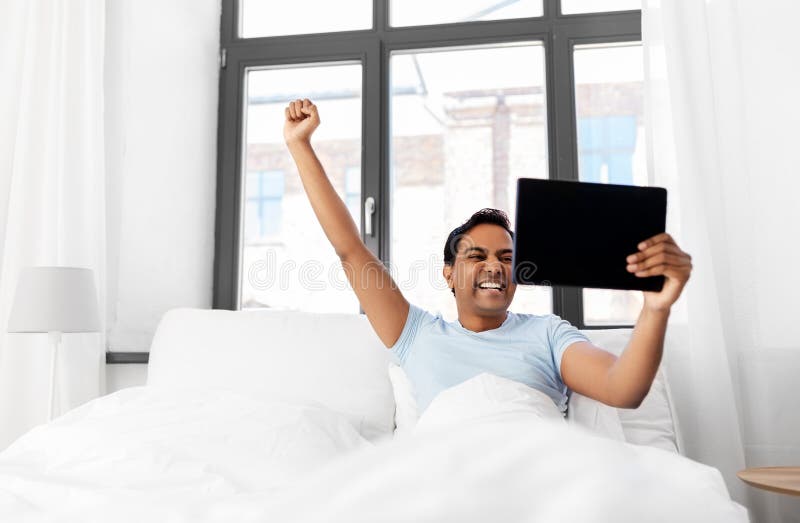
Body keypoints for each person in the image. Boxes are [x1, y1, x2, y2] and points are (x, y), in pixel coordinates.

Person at [284, 98, 693, 415]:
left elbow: (622, 389)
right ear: (448, 274)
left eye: (506, 257)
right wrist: (299, 145)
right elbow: (350, 250)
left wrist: (655, 309)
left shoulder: (548, 335)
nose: (494, 265)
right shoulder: (416, 334)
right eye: (476, 255)